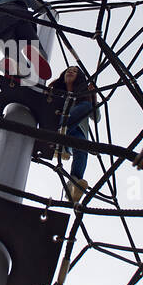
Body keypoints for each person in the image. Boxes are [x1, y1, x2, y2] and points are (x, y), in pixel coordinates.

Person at [0, 0, 52, 81]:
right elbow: (35, 3)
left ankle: (15, 65)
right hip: (15, 13)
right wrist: (47, 7)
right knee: (29, 39)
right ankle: (34, 51)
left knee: (11, 51)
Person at [49, 64, 98, 202]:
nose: (71, 71)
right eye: (68, 70)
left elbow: (96, 117)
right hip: (55, 127)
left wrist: (93, 95)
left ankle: (73, 184)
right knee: (83, 144)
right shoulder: (56, 92)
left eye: (75, 71)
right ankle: (60, 136)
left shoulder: (83, 98)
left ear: (79, 78)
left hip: (72, 133)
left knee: (82, 147)